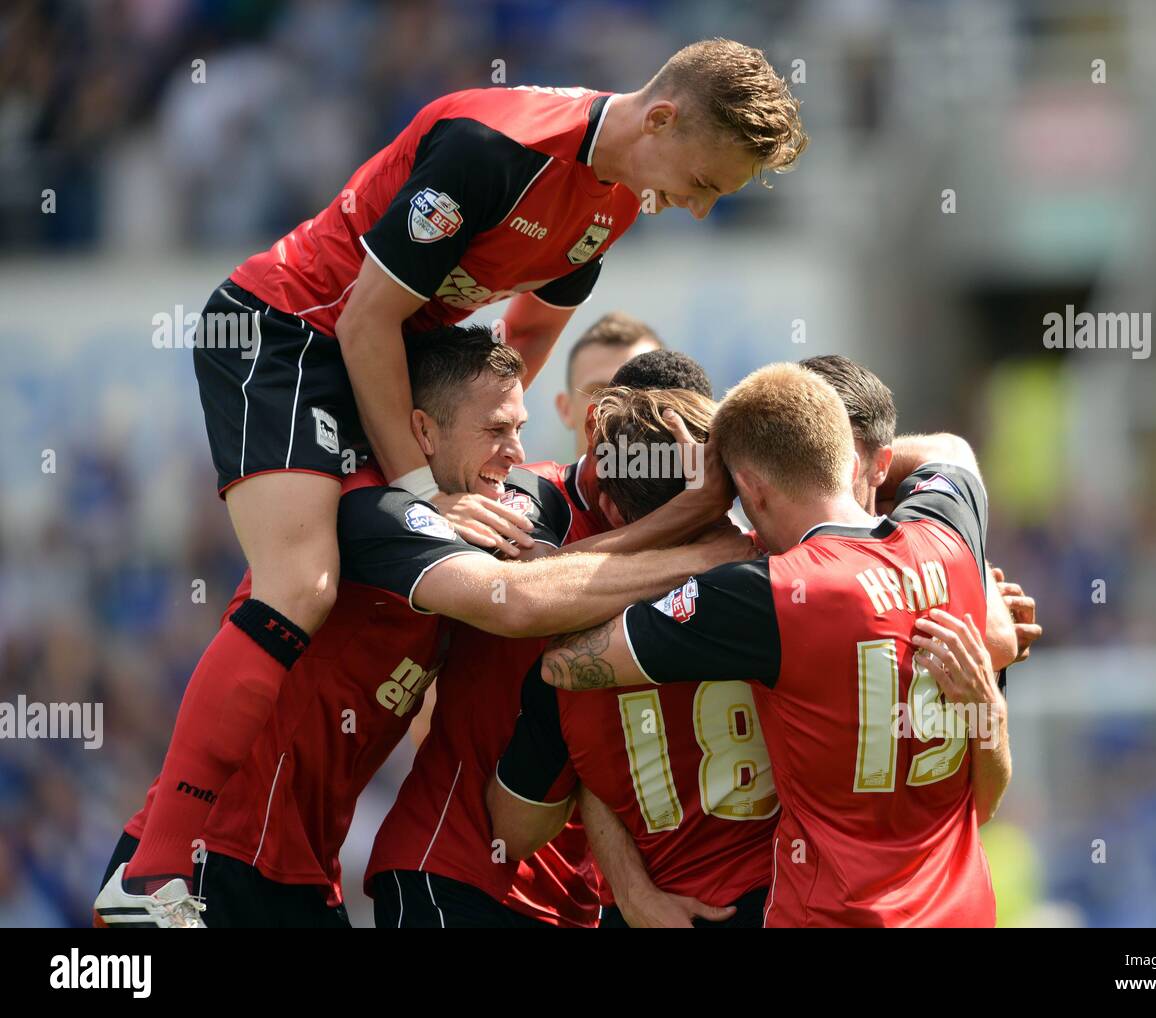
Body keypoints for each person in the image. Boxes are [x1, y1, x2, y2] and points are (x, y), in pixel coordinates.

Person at [124, 39, 806, 899]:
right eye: (705, 183)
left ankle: (258, 856)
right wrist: (426, 493)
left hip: (395, 366)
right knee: (301, 584)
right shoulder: (495, 150)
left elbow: (515, 351)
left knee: (381, 600)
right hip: (289, 333)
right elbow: (366, 320)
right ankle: (155, 871)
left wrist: (496, 474)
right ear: (662, 118)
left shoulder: (614, 207)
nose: (699, 210)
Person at [94, 327, 749, 927]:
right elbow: (514, 600)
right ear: (424, 432)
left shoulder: (478, 518)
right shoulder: (379, 511)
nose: (515, 453)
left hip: (303, 869)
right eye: (496, 429)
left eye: (518, 428)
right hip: (213, 856)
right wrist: (704, 548)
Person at [494, 356, 1036, 927]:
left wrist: (628, 887)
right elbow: (950, 451)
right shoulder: (946, 541)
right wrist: (989, 694)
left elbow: (563, 668)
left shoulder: (766, 596)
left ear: (745, 485)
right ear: (857, 459)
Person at [366, 378, 723, 928]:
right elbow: (526, 591)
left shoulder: (728, 556)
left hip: (575, 896)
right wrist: (693, 537)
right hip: (457, 869)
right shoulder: (529, 497)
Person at [554, 312, 663, 458]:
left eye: (637, 390)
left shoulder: (698, 478)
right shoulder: (528, 480)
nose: (617, 406)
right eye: (599, 392)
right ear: (566, 409)